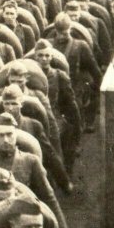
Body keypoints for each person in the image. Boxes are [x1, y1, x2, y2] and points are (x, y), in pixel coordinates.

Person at [33, 40, 82, 173]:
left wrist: (76, 128)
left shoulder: (59, 76)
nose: (44, 59)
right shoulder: (29, 77)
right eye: (40, 55)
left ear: (51, 57)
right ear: (35, 57)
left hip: (55, 116)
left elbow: (71, 104)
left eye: (47, 55)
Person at [48, 13, 102, 133]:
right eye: (59, 33)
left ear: (70, 30)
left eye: (65, 33)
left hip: (75, 86)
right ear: (55, 31)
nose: (62, 36)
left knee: (75, 116)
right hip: (55, 86)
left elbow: (94, 69)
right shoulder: (49, 46)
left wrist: (97, 89)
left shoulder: (80, 46)